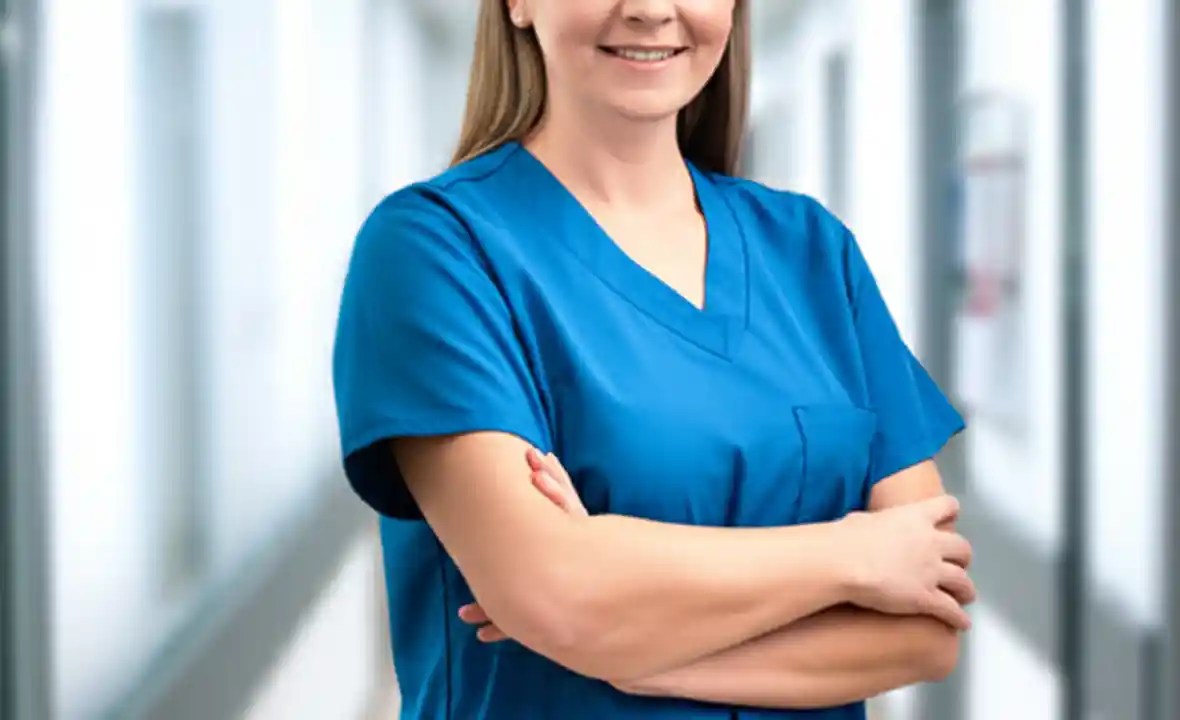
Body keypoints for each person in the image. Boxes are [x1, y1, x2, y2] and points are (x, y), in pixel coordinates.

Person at [331, 1, 977, 718]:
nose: (647, 9)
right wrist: (856, 556)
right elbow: (558, 594)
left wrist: (643, 659)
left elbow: (926, 630)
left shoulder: (811, 251)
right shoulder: (435, 250)